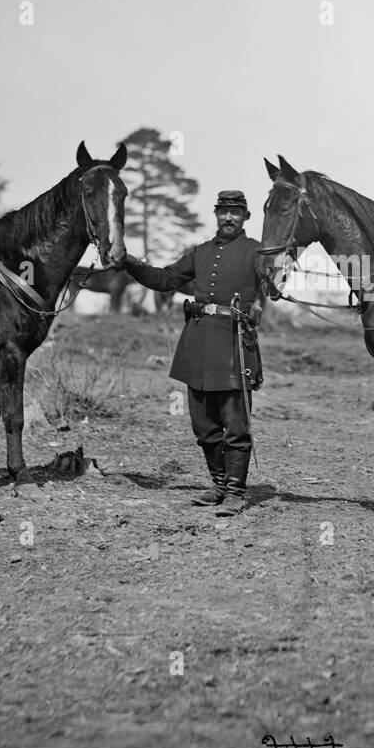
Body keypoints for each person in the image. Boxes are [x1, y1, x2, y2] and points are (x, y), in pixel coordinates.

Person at [122, 190, 265, 514]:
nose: (229, 217)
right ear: (216, 215)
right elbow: (165, 278)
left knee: (236, 424)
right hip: (197, 346)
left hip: (234, 345)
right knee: (203, 426)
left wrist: (259, 302)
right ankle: (218, 485)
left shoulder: (256, 251)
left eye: (236, 212)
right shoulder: (200, 252)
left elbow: (274, 278)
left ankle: (235, 492)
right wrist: (130, 263)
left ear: (246, 217)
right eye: (223, 212)